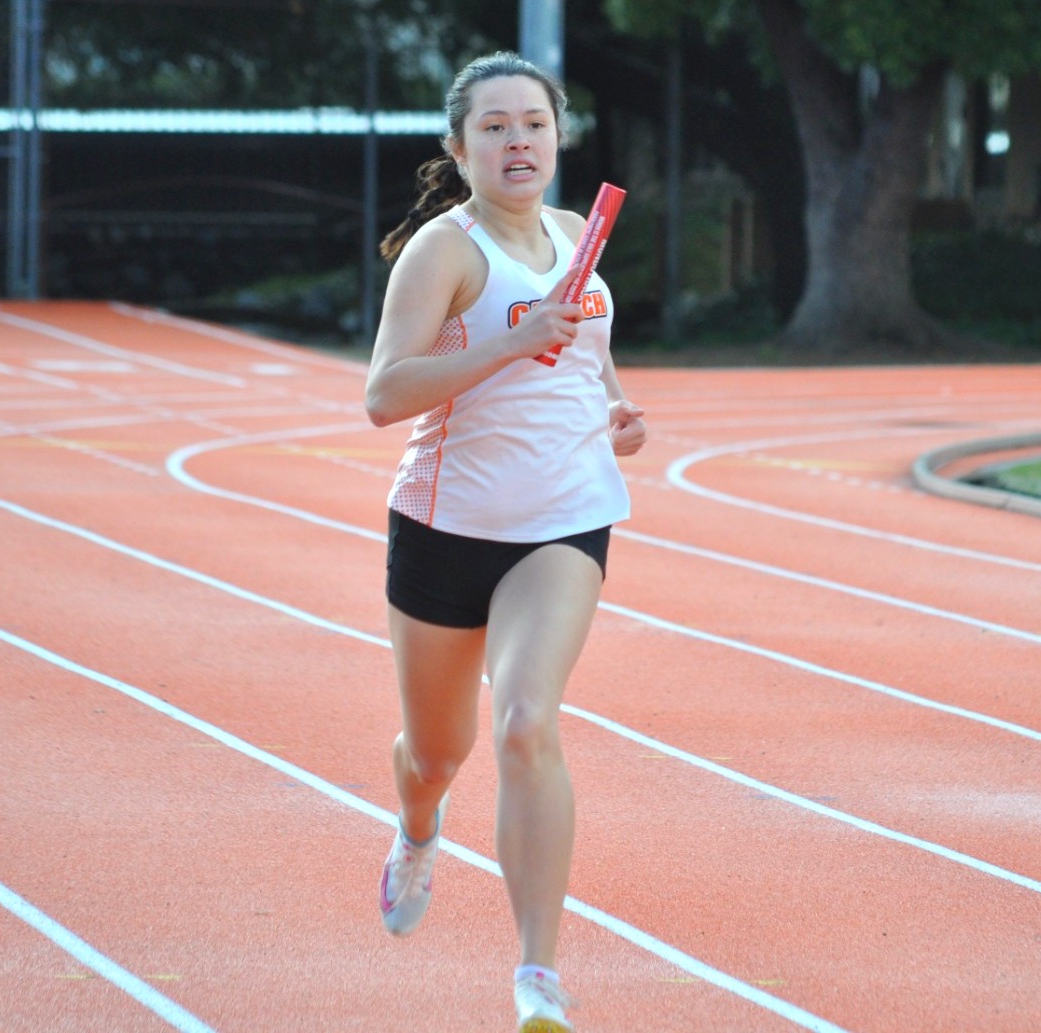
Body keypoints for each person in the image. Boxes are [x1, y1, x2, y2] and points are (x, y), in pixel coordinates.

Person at [363, 51, 647, 1033]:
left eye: (533, 123)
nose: (517, 140)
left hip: (564, 522)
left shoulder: (578, 236)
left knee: (526, 723)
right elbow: (383, 394)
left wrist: (617, 408)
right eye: (494, 126)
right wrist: (505, 345)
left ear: (557, 138)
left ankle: (538, 978)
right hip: (446, 530)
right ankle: (416, 826)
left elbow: (586, 356)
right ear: (460, 146)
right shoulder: (445, 253)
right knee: (437, 753)